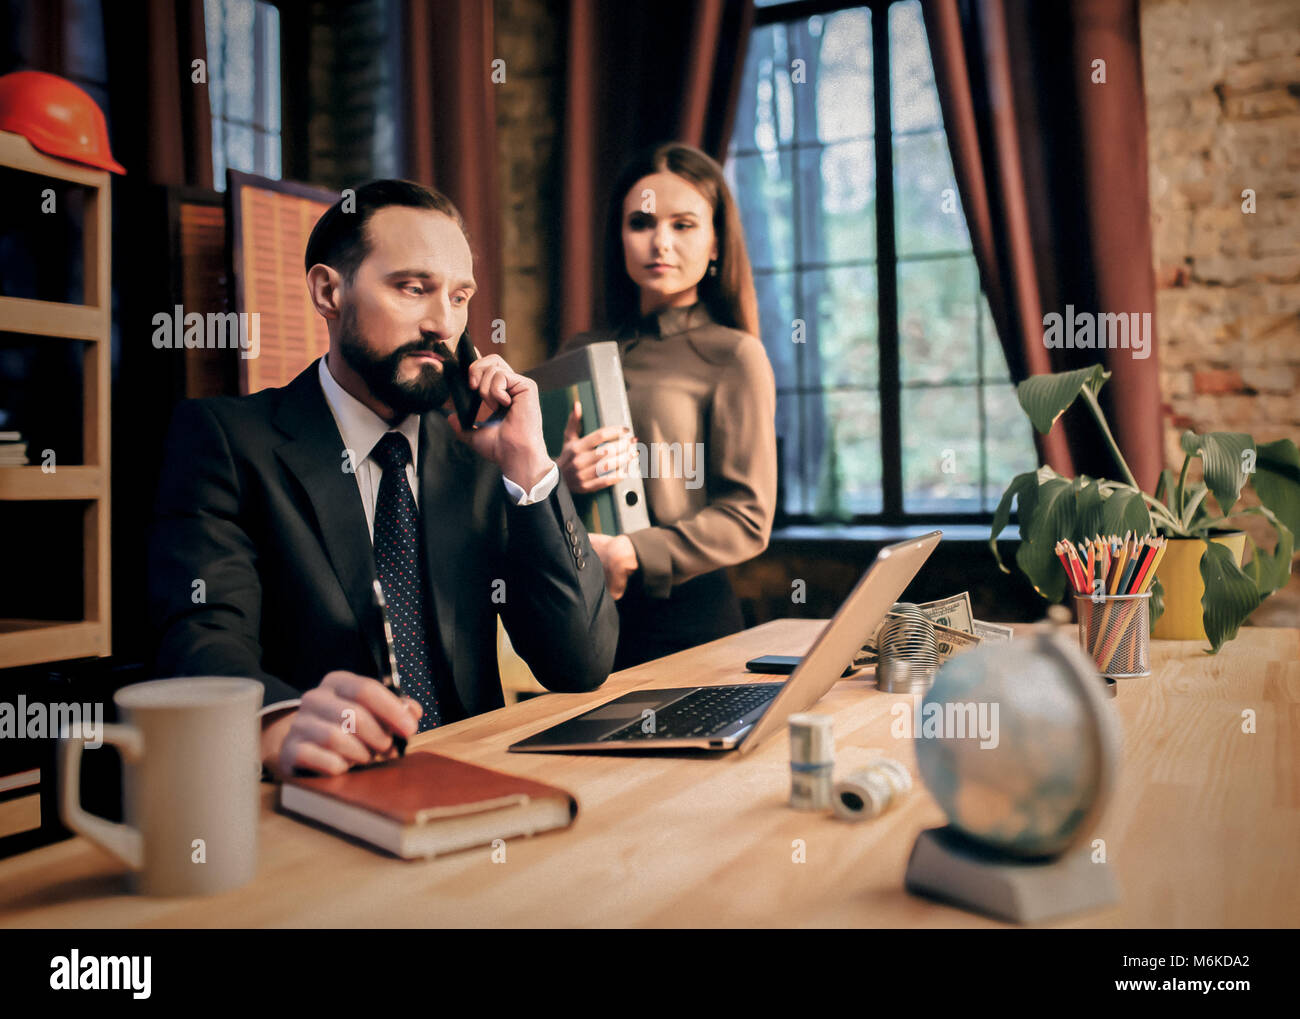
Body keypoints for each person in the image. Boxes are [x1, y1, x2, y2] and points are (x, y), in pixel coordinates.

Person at [148, 179, 618, 779]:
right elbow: (199, 632)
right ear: (328, 291)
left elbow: (580, 662)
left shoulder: (481, 459)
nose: (441, 324)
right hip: (322, 797)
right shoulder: (226, 441)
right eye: (413, 288)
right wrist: (275, 721)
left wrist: (529, 465)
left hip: (473, 783)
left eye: (458, 297)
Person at [557, 142, 777, 670]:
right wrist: (564, 477)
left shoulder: (734, 355)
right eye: (641, 222)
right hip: (576, 612)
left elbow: (748, 517)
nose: (660, 243)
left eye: (683, 225)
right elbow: (529, 497)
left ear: (716, 241)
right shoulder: (577, 355)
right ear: (619, 237)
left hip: (686, 620)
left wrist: (631, 552)